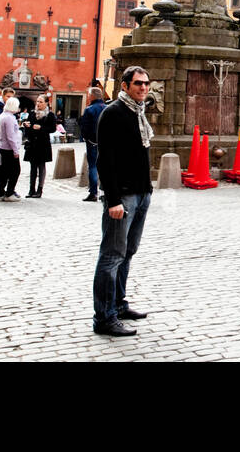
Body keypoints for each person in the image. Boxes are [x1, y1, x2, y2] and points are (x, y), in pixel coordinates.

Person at [92, 66, 155, 337]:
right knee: (111, 255)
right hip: (123, 196)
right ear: (126, 85)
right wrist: (113, 199)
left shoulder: (138, 112)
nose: (143, 88)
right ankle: (103, 317)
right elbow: (105, 160)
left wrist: (148, 191)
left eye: (146, 84)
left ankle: (118, 304)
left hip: (141, 193)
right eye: (138, 83)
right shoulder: (113, 113)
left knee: (127, 252)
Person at [23, 95, 57, 198]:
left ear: (46, 103)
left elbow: (52, 129)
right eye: (37, 101)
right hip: (33, 144)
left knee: (41, 166)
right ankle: (31, 189)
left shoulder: (50, 115)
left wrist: (41, 127)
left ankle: (39, 190)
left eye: (41, 102)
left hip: (43, 144)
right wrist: (26, 126)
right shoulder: (32, 114)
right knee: (32, 167)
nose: (38, 104)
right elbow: (28, 130)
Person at [80, 87, 108, 202]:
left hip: (92, 142)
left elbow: (84, 127)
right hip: (106, 142)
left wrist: (86, 138)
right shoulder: (107, 108)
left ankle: (93, 193)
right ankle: (105, 192)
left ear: (92, 96)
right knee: (106, 167)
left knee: (92, 166)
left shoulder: (89, 109)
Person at [0, 97, 24, 201]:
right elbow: (11, 136)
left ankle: (0, 192)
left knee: (4, 171)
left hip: (2, 146)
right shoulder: (10, 118)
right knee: (15, 171)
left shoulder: (2, 116)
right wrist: (15, 150)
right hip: (9, 148)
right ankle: (9, 193)